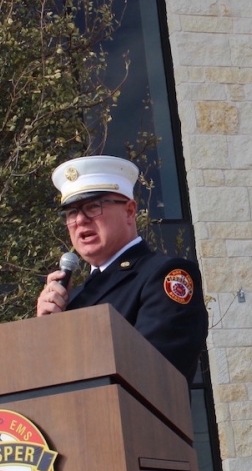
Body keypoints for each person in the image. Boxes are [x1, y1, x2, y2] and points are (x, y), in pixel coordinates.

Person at [35, 155, 208, 385]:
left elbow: (154, 370)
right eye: (71, 213)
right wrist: (46, 330)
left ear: (129, 211)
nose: (80, 220)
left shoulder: (164, 275)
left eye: (93, 207)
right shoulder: (72, 300)